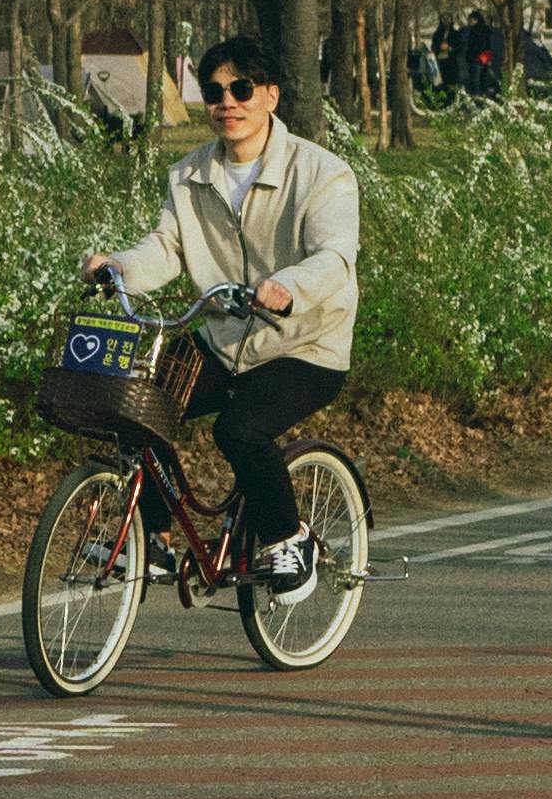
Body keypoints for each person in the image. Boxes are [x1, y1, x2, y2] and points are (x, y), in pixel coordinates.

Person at [90, 42, 361, 592]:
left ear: (270, 96)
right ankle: (157, 543)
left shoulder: (322, 173)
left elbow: (335, 256)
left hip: (303, 344)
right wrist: (117, 265)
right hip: (224, 339)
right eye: (214, 92)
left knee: (240, 431)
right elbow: (166, 248)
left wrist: (289, 287)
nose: (227, 103)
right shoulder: (188, 175)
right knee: (134, 402)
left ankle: (289, 541)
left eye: (241, 89)